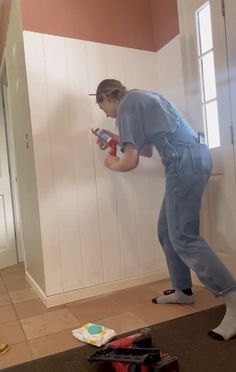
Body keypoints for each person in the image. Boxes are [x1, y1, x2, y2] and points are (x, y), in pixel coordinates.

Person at [95, 79, 236, 341]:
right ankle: (183, 290)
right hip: (189, 159)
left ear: (107, 96)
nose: (105, 113)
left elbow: (130, 160)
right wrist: (117, 139)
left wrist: (110, 163)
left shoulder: (127, 105)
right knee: (166, 231)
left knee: (183, 236)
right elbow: (147, 150)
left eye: (103, 107)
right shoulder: (141, 98)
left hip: (183, 162)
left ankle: (234, 300)